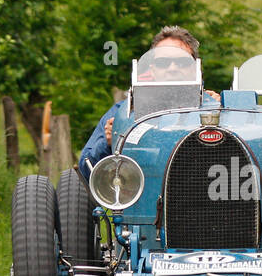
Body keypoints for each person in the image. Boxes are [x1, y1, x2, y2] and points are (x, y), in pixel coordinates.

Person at [79, 26, 207, 179]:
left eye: (182, 62)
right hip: (140, 197)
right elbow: (87, 169)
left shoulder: (217, 108)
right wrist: (107, 144)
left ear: (195, 67)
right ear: (152, 69)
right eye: (163, 62)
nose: (172, 68)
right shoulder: (123, 112)